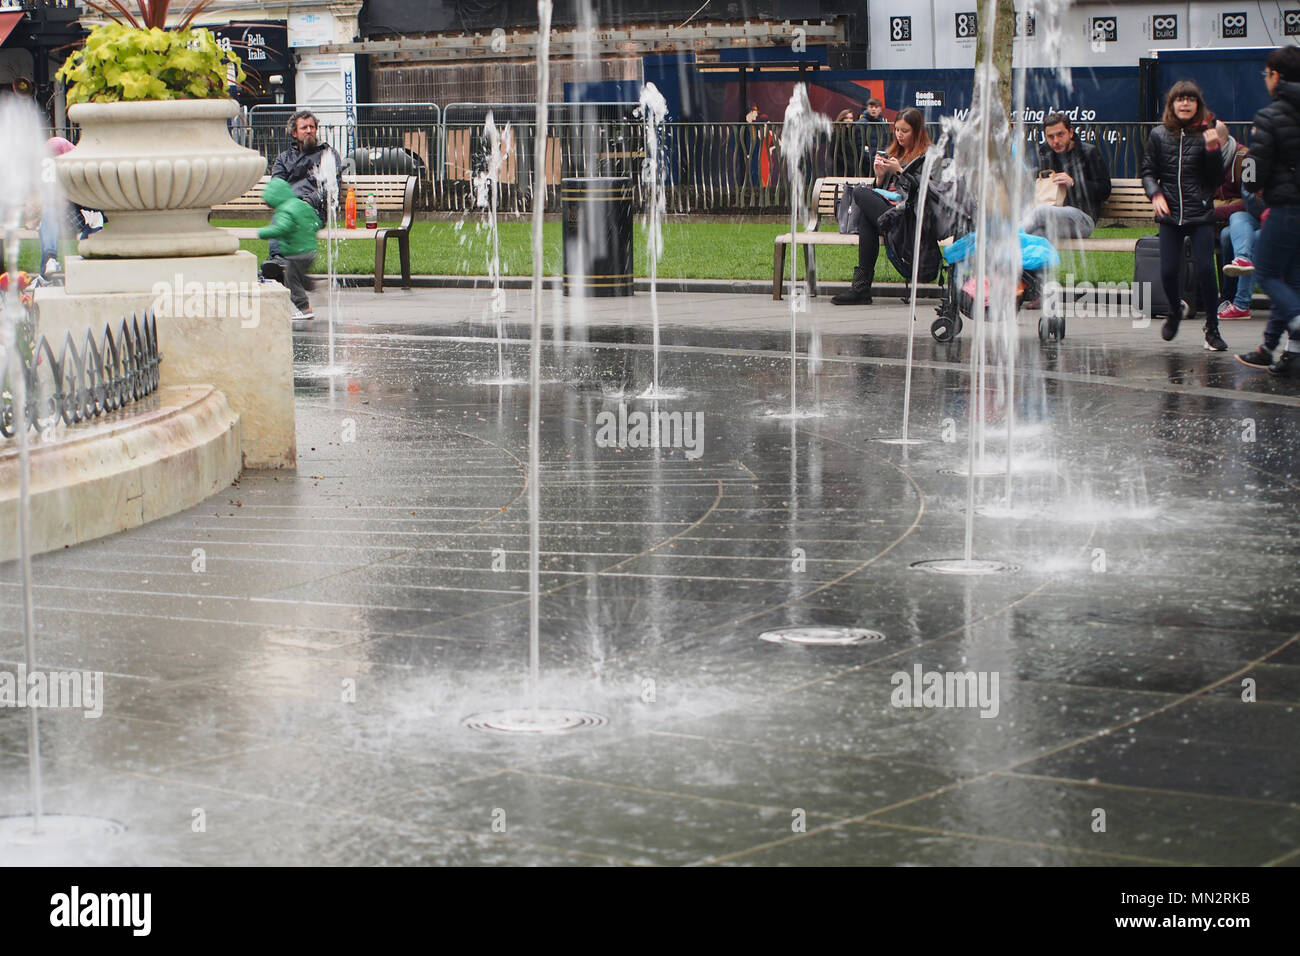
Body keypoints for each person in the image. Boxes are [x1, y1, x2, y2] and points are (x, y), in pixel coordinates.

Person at [1140, 81, 1227, 349]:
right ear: (1172, 104)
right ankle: (1175, 312)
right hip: (1170, 214)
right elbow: (1147, 171)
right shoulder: (1158, 135)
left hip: (1199, 212)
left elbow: (1216, 180)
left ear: (1198, 105)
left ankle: (1212, 328)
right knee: (1168, 271)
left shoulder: (1207, 134)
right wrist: (1155, 193)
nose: (1185, 104)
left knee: (1204, 270)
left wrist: (1214, 151)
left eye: (1191, 99)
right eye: (1180, 99)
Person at [1235, 45, 1300, 376]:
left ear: (1276, 76)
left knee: (1266, 273)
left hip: (1286, 209)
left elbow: (1253, 170)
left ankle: (1297, 322)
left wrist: (1251, 184)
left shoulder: (1269, 117)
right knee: (1293, 280)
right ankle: (1278, 350)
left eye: (1267, 75)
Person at [833, 107, 933, 305]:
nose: (899, 135)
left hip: (910, 217)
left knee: (860, 193)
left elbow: (927, 193)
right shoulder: (893, 152)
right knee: (867, 220)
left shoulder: (928, 156)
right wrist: (879, 176)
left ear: (917, 131)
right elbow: (882, 191)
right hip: (889, 215)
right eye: (897, 130)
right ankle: (861, 289)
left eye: (905, 131)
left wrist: (900, 172)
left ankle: (861, 288)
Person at [1023, 112, 1111, 242]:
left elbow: (1105, 190)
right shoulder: (1046, 153)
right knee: (1037, 233)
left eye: (1060, 134)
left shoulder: (1089, 152)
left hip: (1083, 218)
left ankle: (1007, 239)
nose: (1056, 141)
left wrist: (1074, 183)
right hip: (1053, 216)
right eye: (1050, 137)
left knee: (1039, 211)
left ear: (1070, 133)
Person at [258, 177, 321, 321]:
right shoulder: (300, 204)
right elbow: (316, 222)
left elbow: (282, 228)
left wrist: (264, 233)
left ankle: (304, 308)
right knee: (300, 277)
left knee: (291, 280)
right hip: (311, 251)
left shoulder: (285, 211)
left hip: (296, 253)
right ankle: (317, 286)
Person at [269, 110, 342, 226]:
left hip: (314, 209)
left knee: (291, 228)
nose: (309, 131)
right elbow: (276, 187)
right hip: (288, 209)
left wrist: (307, 202)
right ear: (294, 133)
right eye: (304, 128)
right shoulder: (283, 158)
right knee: (278, 230)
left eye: (312, 127)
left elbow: (332, 186)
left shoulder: (328, 154)